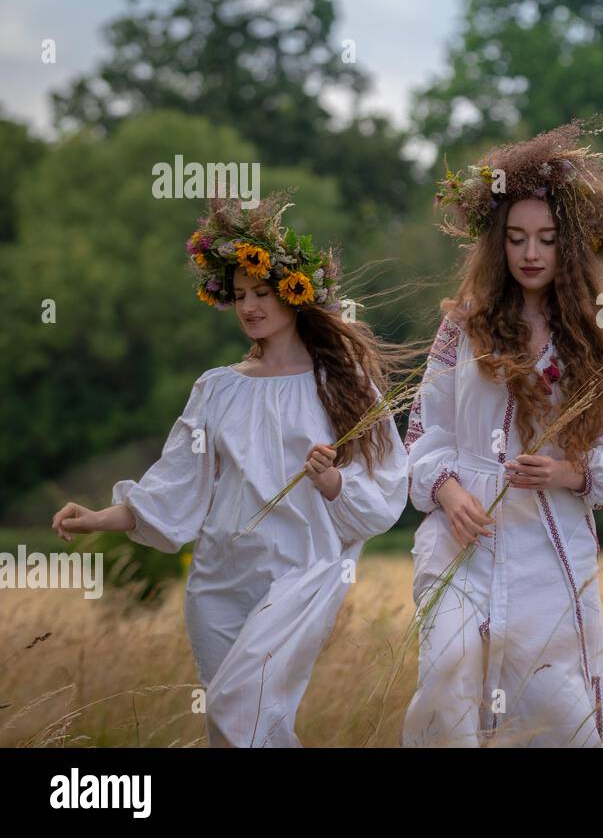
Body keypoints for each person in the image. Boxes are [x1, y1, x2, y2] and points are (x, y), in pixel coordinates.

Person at [52, 193, 408, 747]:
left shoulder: (343, 384)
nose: (249, 306)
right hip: (219, 582)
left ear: (296, 294)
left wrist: (332, 481)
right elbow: (177, 484)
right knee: (235, 726)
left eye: (263, 292)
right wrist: (99, 517)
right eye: (240, 295)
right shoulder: (216, 388)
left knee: (242, 713)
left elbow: (388, 484)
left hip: (299, 576)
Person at [403, 120, 603, 747]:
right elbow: (422, 429)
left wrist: (573, 472)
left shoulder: (602, 336)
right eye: (516, 237)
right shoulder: (461, 328)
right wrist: (445, 490)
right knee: (448, 670)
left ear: (568, 246)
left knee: (553, 703)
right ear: (497, 243)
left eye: (546, 239)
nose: (530, 252)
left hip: (550, 540)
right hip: (461, 535)